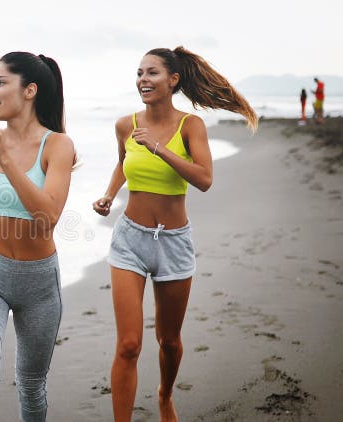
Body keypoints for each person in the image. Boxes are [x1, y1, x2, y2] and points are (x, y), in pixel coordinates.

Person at [91, 46, 257, 422]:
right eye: (139, 73)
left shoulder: (190, 126)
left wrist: (159, 147)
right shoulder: (125, 125)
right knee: (129, 344)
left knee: (169, 342)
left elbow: (204, 180)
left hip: (174, 243)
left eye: (151, 73)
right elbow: (123, 162)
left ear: (173, 80)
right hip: (129, 239)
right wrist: (107, 194)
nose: (142, 80)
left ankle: (165, 395)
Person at [0, 52, 76, 422]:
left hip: (39, 283)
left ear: (30, 91)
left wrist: (6, 161)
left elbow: (47, 216)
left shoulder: (58, 146)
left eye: (0, 82)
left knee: (32, 385)